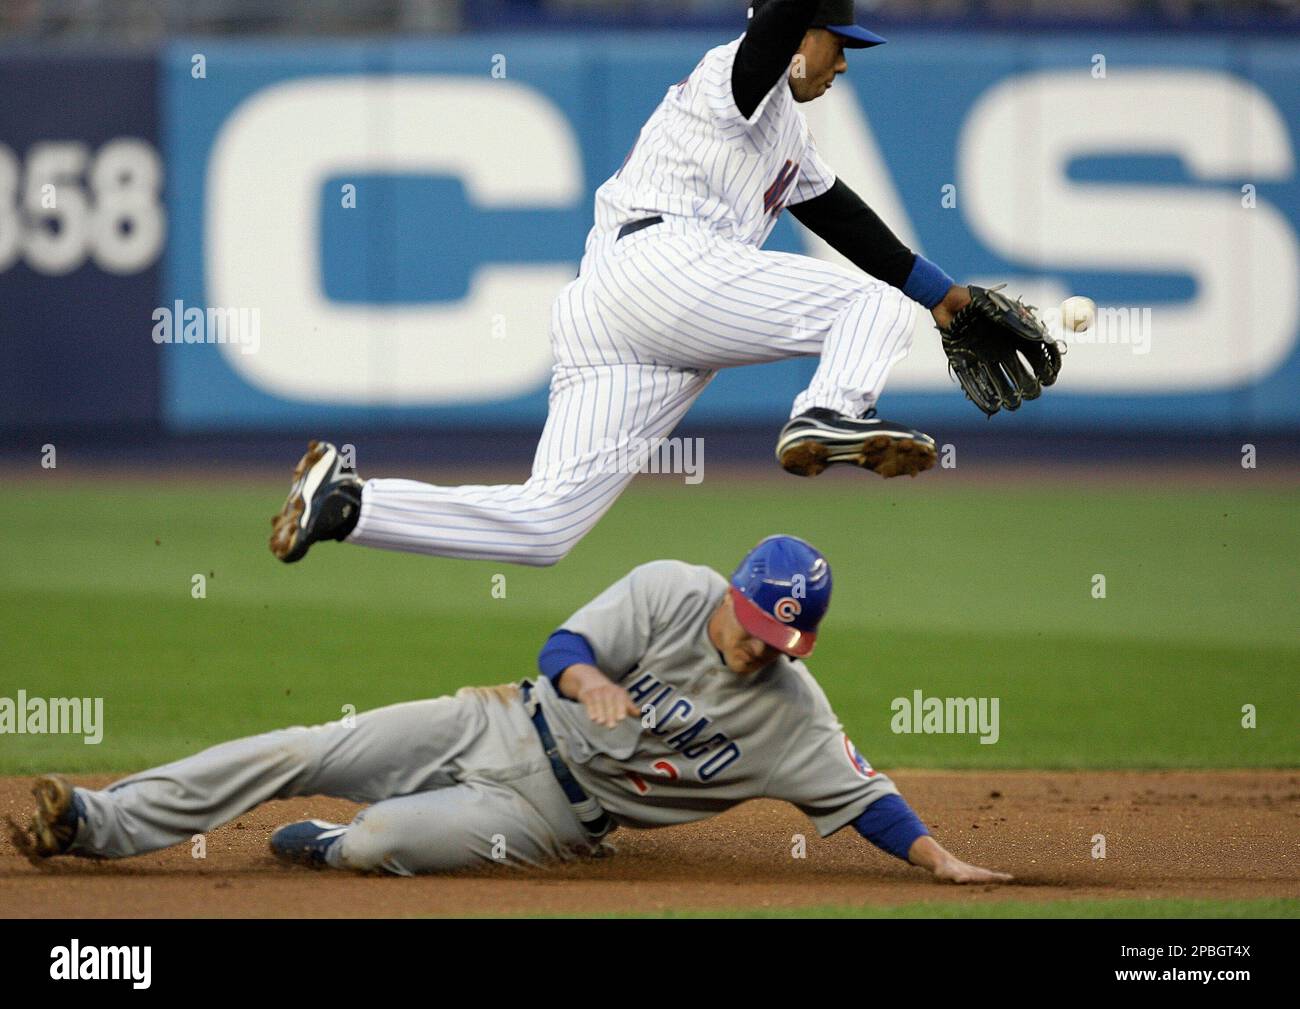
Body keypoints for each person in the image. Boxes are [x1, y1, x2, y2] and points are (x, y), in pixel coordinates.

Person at [268, 0, 980, 568]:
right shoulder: (734, 76)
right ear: (794, 30)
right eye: (838, 40)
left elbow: (847, 222)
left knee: (544, 526)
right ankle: (829, 409)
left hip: (623, 316)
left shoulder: (787, 133)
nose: (844, 63)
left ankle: (348, 504)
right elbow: (775, 26)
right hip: (662, 264)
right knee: (870, 303)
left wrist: (947, 297)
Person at [11, 536, 1011, 885]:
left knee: (373, 846)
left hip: (542, 820)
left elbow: (865, 794)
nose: (759, 646)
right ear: (734, 594)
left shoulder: (791, 710)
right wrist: (587, 683)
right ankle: (100, 822)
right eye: (753, 623)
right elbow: (561, 648)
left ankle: (324, 843)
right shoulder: (671, 587)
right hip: (496, 719)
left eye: (781, 640)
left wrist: (939, 858)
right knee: (306, 743)